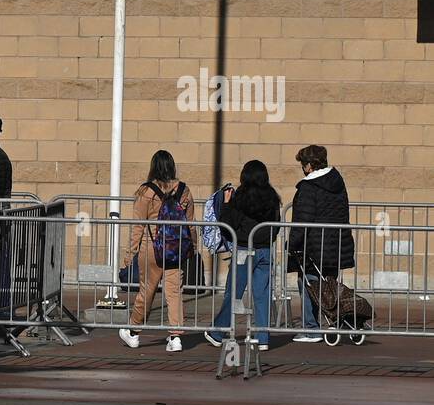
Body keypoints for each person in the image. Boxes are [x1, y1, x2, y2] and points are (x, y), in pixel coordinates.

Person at [119, 150, 194, 352]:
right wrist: (191, 248)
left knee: (147, 290)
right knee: (174, 292)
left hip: (151, 247)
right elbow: (191, 224)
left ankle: (133, 331)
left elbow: (138, 227)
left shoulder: (146, 192)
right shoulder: (184, 191)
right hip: (176, 248)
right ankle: (176, 337)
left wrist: (129, 254)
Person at [203, 160, 281, 351]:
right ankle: (263, 338)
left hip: (244, 250)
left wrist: (227, 204)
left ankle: (217, 331)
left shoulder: (241, 197)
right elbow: (276, 225)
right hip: (265, 250)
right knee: (262, 296)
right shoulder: (272, 197)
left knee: (234, 293)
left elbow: (228, 224)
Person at [286, 145, 353, 343]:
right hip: (336, 243)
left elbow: (302, 220)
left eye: (303, 164)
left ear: (308, 165)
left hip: (313, 245)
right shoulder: (337, 182)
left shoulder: (309, 187)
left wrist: (292, 244)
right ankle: (336, 321)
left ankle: (311, 329)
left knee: (307, 284)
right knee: (329, 286)